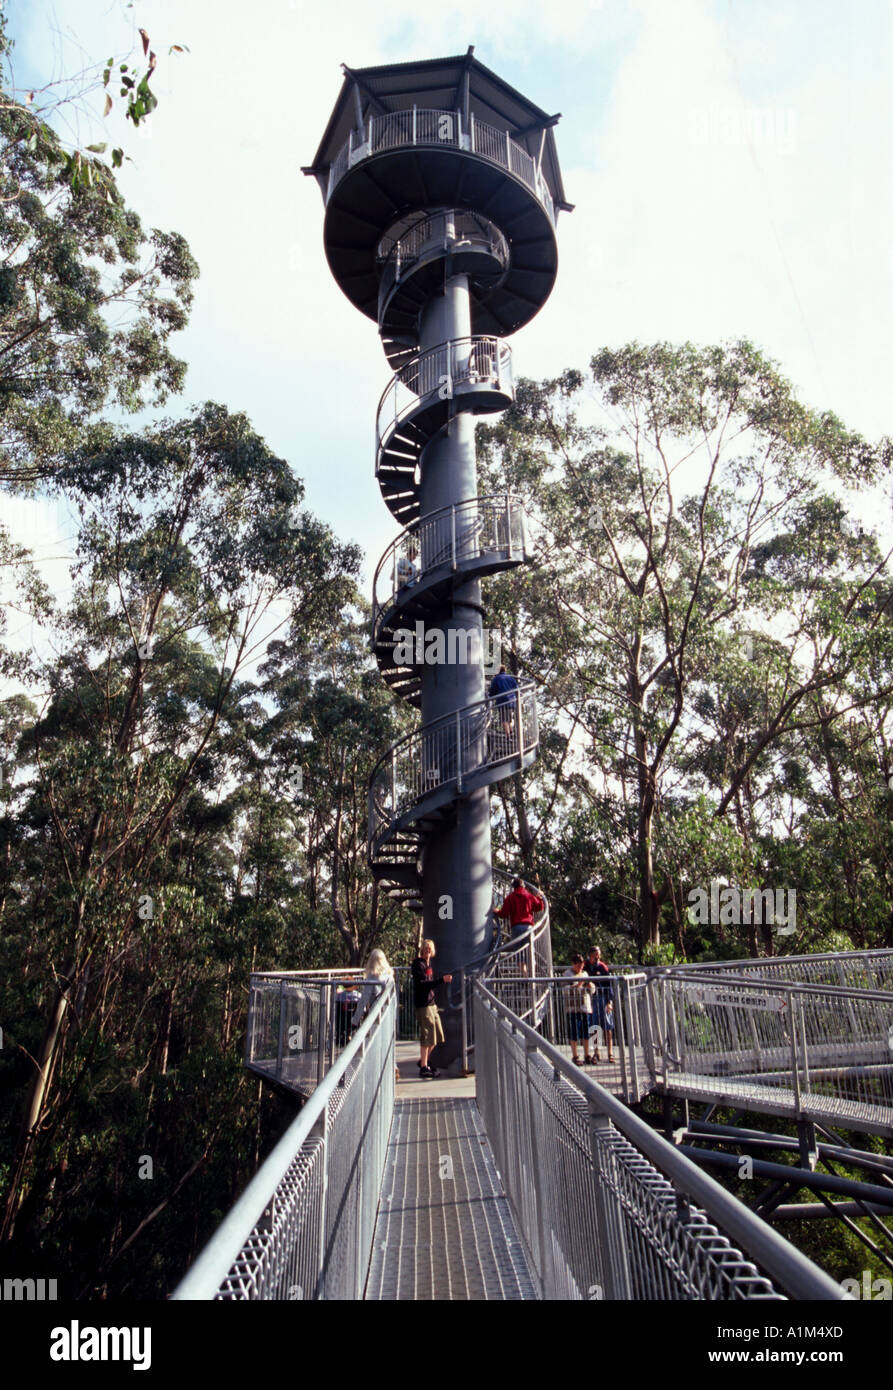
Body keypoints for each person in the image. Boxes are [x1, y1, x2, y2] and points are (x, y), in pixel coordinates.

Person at [411, 939, 452, 1078]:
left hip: (431, 1003)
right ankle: (423, 1067)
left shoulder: (429, 964)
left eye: (430, 949)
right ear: (422, 949)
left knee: (437, 1036)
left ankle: (424, 1061)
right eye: (426, 948)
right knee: (427, 1036)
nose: (428, 951)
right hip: (423, 1005)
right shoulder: (418, 964)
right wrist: (442, 980)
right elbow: (423, 984)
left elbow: (429, 983)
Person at [562, 954, 595, 1066]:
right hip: (572, 1007)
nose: (580, 968)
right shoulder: (567, 974)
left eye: (581, 966)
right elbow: (564, 989)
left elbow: (592, 989)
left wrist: (590, 986)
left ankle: (587, 1054)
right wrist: (576, 986)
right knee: (574, 1031)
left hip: (585, 1006)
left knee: (586, 1032)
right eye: (578, 966)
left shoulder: (585, 973)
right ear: (574, 964)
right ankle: (575, 1055)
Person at [584, 945, 614, 1064]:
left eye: (599, 954)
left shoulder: (603, 967)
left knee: (608, 1026)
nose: (598, 956)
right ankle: (596, 1051)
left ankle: (610, 1052)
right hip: (592, 998)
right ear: (591, 955)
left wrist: (609, 1002)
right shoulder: (585, 967)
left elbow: (609, 985)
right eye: (596, 954)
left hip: (603, 998)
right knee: (594, 1026)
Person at [492, 876, 545, 942]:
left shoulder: (510, 898)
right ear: (523, 886)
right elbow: (539, 907)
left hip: (516, 927)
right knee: (529, 950)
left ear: (514, 887)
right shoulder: (529, 896)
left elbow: (504, 914)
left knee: (518, 950)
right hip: (528, 926)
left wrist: (497, 911)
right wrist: (539, 898)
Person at [352, 948, 394, 1028]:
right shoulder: (389, 975)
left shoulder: (372, 976)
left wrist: (355, 1020)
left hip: (376, 1013)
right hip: (388, 1013)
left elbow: (364, 998)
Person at [488, 664, 518, 750]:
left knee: (504, 719)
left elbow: (492, 690)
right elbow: (516, 687)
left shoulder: (496, 679)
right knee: (509, 718)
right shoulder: (510, 678)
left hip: (502, 701)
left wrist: (489, 696)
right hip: (512, 700)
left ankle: (508, 737)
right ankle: (511, 731)